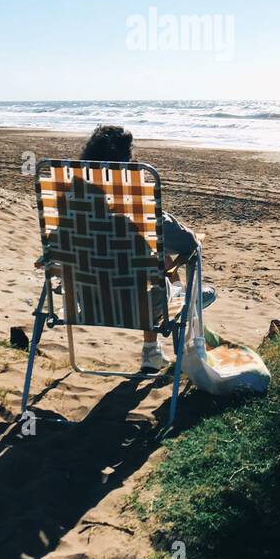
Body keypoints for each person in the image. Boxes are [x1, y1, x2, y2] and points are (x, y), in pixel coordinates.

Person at [78, 124, 215, 373]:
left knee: (152, 257)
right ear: (127, 162)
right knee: (182, 274)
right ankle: (183, 348)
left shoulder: (71, 203)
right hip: (135, 306)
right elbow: (188, 242)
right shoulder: (134, 200)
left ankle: (152, 353)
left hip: (85, 302)